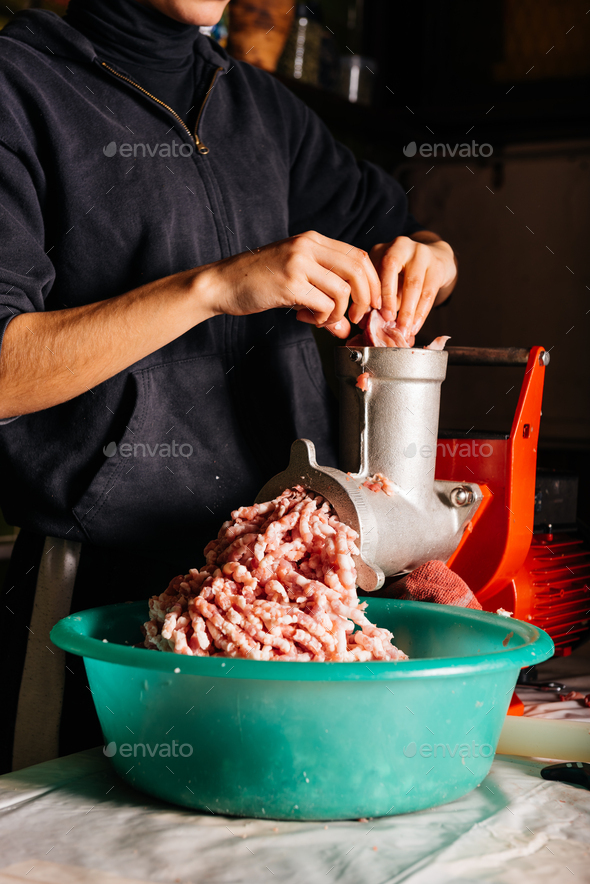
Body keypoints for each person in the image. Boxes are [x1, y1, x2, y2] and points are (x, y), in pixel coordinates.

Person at [0, 0, 457, 772]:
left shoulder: (258, 105)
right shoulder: (21, 85)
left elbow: (404, 229)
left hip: (288, 587)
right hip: (102, 598)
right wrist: (216, 287)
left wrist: (432, 258)